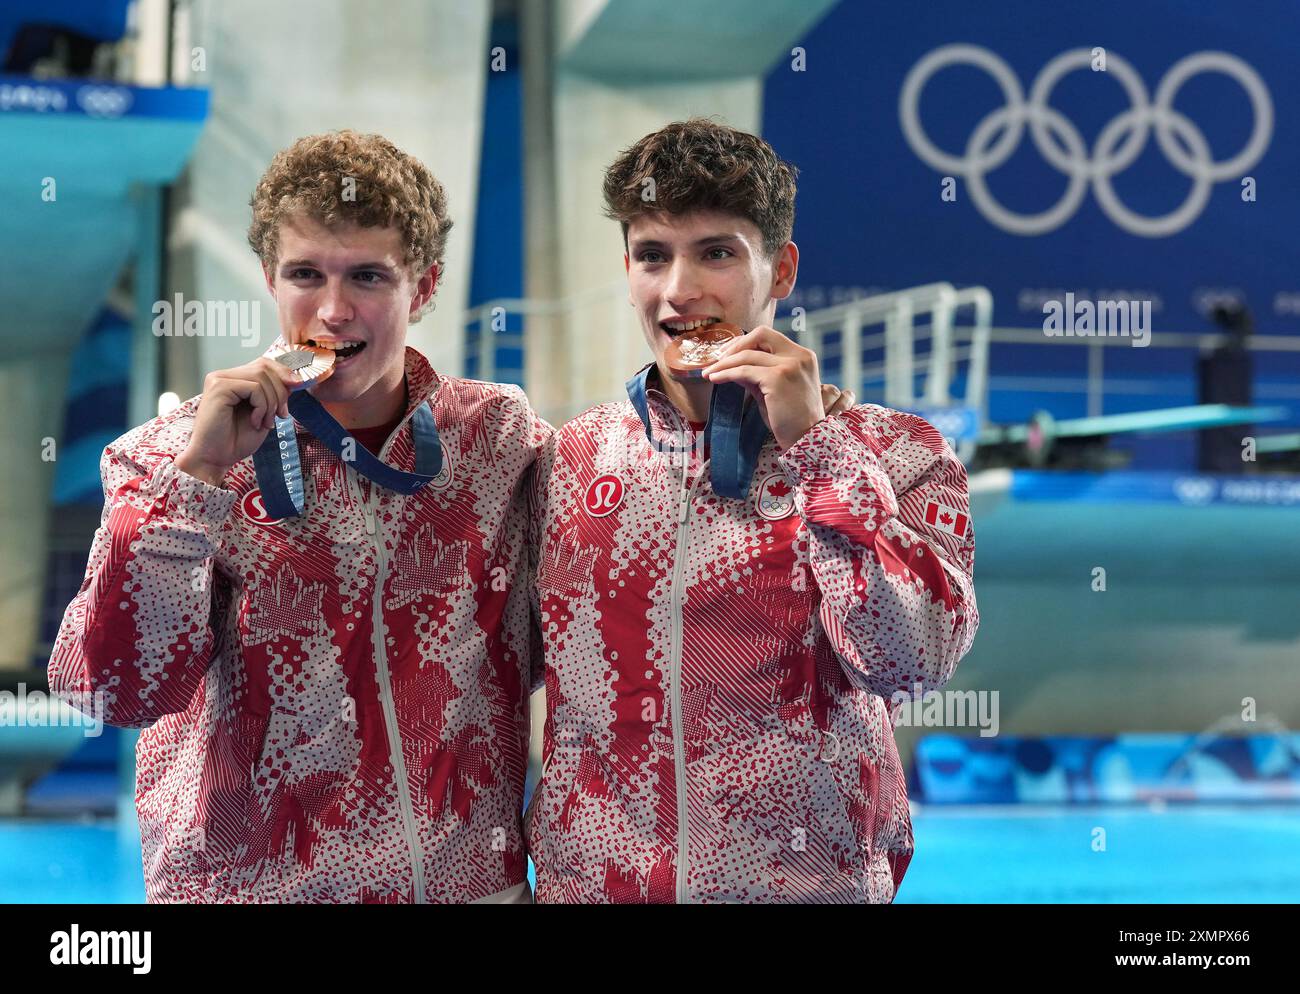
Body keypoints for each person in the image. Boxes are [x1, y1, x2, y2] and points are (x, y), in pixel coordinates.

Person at [49, 130, 548, 903]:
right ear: (269, 280)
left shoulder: (499, 443)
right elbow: (112, 691)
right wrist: (199, 479)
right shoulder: (163, 458)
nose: (332, 309)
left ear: (424, 287)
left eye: (369, 277)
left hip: (460, 887)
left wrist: (797, 445)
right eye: (306, 274)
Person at [526, 118, 979, 903]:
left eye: (718, 253)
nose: (681, 290)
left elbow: (913, 662)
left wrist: (817, 447)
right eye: (654, 256)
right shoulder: (569, 460)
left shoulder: (899, 452)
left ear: (782, 269)